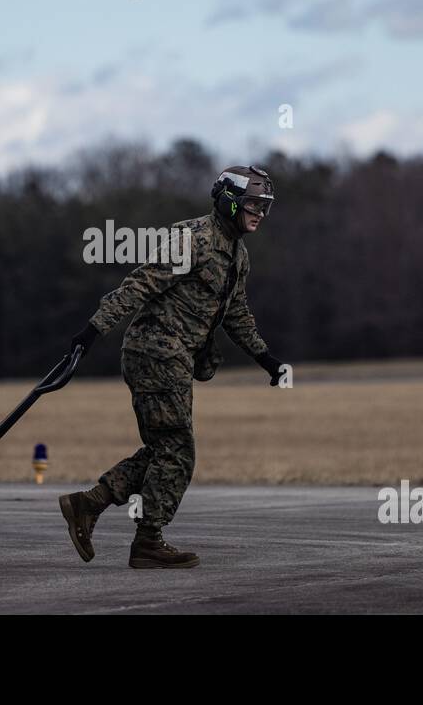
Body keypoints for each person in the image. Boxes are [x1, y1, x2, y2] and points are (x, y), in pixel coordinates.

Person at [59, 165, 287, 568]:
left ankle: (90, 503)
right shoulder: (194, 238)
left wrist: (266, 359)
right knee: (179, 449)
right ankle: (147, 542)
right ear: (230, 201)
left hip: (177, 357)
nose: (260, 214)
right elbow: (141, 283)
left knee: (166, 447)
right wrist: (93, 331)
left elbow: (236, 313)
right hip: (155, 351)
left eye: (265, 206)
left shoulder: (237, 253)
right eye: (254, 204)